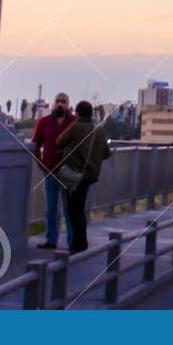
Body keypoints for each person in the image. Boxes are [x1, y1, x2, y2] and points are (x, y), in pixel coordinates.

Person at [53, 100, 112, 253]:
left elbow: (59, 142)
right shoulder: (98, 130)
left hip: (75, 175)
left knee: (74, 210)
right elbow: (106, 153)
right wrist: (92, 158)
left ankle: (79, 244)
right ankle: (81, 242)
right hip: (90, 175)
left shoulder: (75, 127)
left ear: (77, 113)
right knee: (79, 208)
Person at [30, 93, 72, 250]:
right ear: (53, 104)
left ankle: (72, 241)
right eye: (58, 101)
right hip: (50, 172)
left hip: (70, 173)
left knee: (69, 209)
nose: (60, 104)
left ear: (68, 104)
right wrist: (41, 165)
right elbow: (34, 145)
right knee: (51, 208)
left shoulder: (74, 123)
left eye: (64, 102)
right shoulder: (44, 122)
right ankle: (51, 240)